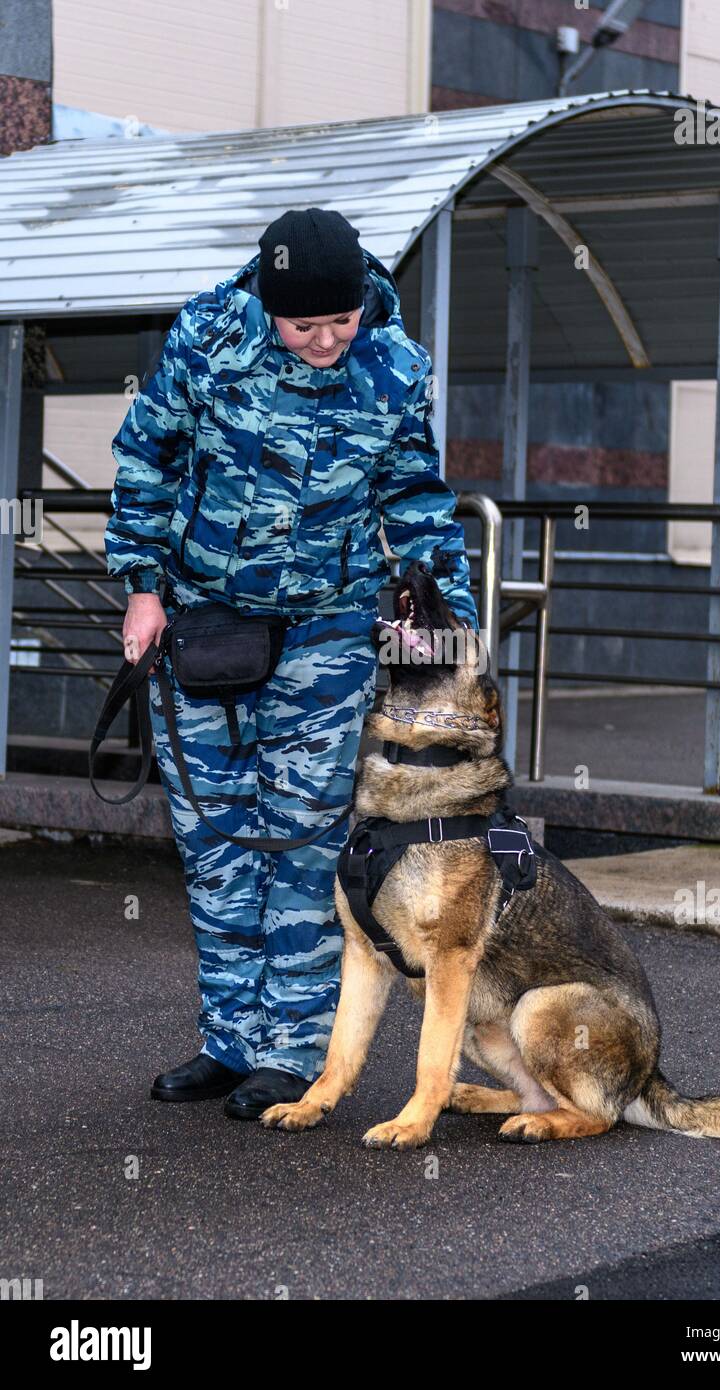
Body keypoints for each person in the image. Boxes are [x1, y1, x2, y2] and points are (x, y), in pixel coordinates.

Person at [104, 207, 479, 1119]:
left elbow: (418, 502)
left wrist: (447, 634)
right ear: (269, 306)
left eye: (339, 322)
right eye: (304, 325)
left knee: (307, 843)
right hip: (205, 624)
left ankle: (294, 1053)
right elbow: (146, 457)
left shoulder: (395, 366)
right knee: (215, 840)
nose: (324, 341)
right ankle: (229, 1043)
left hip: (327, 634)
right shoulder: (206, 338)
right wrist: (143, 587)